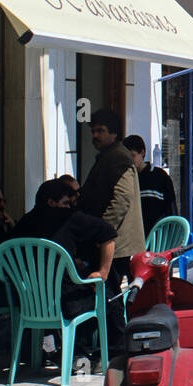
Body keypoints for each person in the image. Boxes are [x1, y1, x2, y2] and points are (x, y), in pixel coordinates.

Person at [11, 178, 118, 369]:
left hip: (30, 303)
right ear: (51, 202)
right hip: (66, 300)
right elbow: (108, 233)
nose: (70, 207)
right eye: (66, 203)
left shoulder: (24, 223)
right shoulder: (69, 218)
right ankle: (92, 354)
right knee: (107, 297)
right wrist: (103, 272)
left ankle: (67, 354)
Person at [78, 109, 143, 328]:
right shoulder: (109, 156)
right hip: (113, 240)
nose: (95, 135)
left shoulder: (117, 157)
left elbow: (122, 199)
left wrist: (103, 231)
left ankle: (115, 347)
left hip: (117, 243)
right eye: (94, 131)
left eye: (101, 131)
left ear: (113, 134)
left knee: (110, 296)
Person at [122, 135, 178, 238]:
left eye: (132, 156)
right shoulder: (125, 178)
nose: (129, 161)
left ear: (142, 153)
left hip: (159, 236)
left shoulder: (159, 176)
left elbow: (171, 208)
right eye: (126, 157)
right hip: (134, 236)